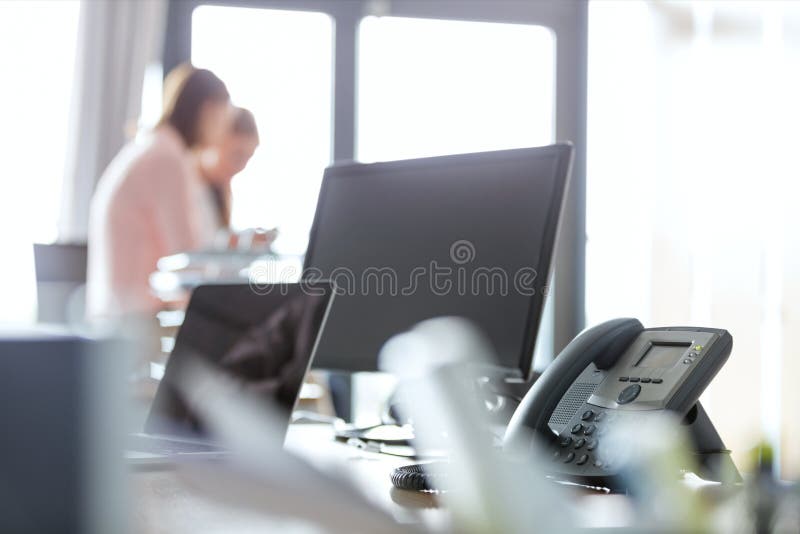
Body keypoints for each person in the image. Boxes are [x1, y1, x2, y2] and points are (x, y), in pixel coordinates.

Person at [87, 64, 233, 319]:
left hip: (117, 313)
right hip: (135, 321)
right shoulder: (167, 159)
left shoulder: (152, 147)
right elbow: (187, 256)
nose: (222, 131)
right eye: (222, 118)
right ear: (206, 110)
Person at [198, 107, 277, 249]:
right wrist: (237, 242)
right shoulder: (189, 182)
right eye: (237, 155)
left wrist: (245, 240)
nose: (240, 167)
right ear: (217, 139)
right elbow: (192, 245)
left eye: (248, 158)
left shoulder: (222, 191)